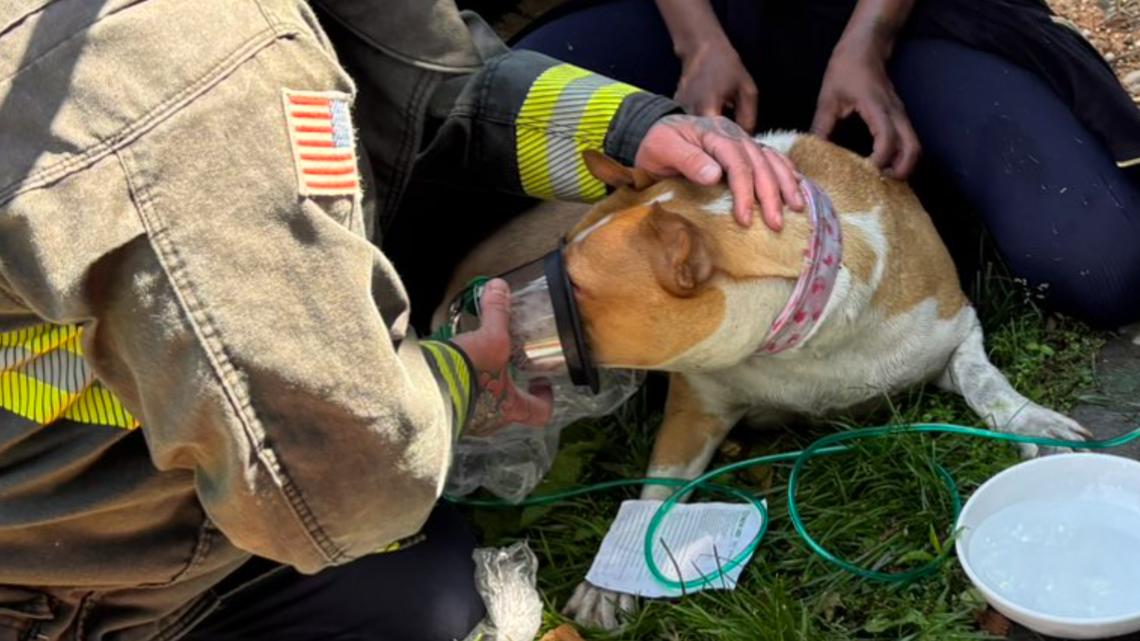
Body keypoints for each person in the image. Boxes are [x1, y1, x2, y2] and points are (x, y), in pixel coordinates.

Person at [0, 1, 804, 640]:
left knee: (434, 577)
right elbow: (338, 474)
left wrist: (627, 133)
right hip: (67, 581)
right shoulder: (176, 85)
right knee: (426, 582)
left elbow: (429, 79)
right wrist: (460, 379)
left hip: (132, 507)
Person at [514, 0, 1140, 330]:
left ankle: (930, 215)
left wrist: (871, 38)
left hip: (916, 18)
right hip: (704, 14)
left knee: (1100, 270)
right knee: (499, 101)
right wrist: (698, 42)